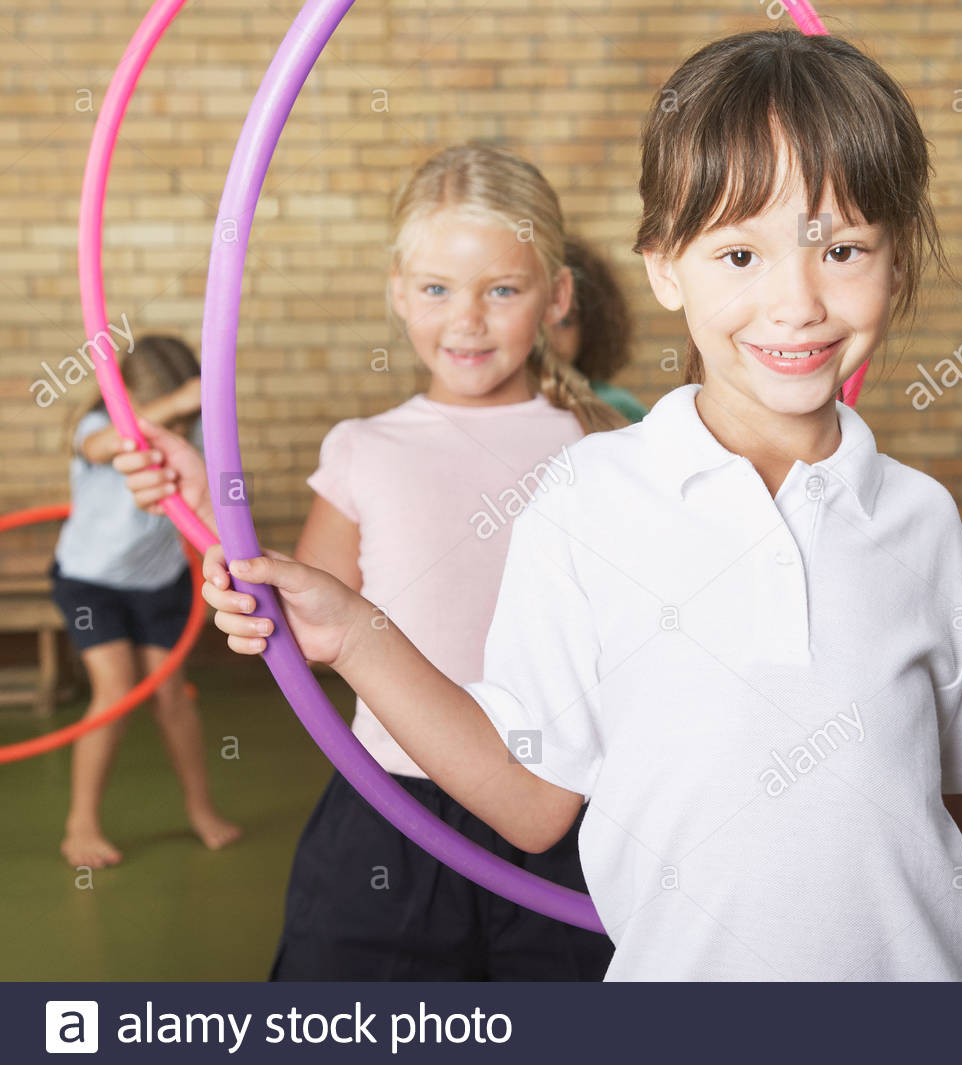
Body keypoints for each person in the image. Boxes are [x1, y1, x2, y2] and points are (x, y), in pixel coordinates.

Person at [192, 30, 962, 980]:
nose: (795, 302)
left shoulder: (918, 515)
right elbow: (528, 803)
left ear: (899, 261)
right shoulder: (585, 498)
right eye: (740, 255)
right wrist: (356, 632)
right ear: (665, 267)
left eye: (841, 251)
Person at [116, 143, 622, 980]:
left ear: (557, 296)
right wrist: (205, 511)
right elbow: (293, 621)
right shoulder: (363, 449)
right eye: (435, 290)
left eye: (502, 290)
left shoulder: (605, 449)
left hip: (566, 810)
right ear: (398, 295)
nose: (466, 321)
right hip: (391, 803)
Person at [50, 335, 241, 869]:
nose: (176, 431)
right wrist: (179, 403)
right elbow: (102, 446)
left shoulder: (198, 429)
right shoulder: (95, 429)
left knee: (172, 696)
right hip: (92, 582)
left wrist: (198, 415)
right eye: (168, 412)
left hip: (161, 581)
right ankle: (80, 822)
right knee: (116, 688)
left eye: (185, 418)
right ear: (123, 396)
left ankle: (201, 809)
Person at [546, 234, 649, 422]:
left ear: (589, 328)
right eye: (537, 323)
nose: (549, 337)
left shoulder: (615, 406)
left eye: (564, 323)